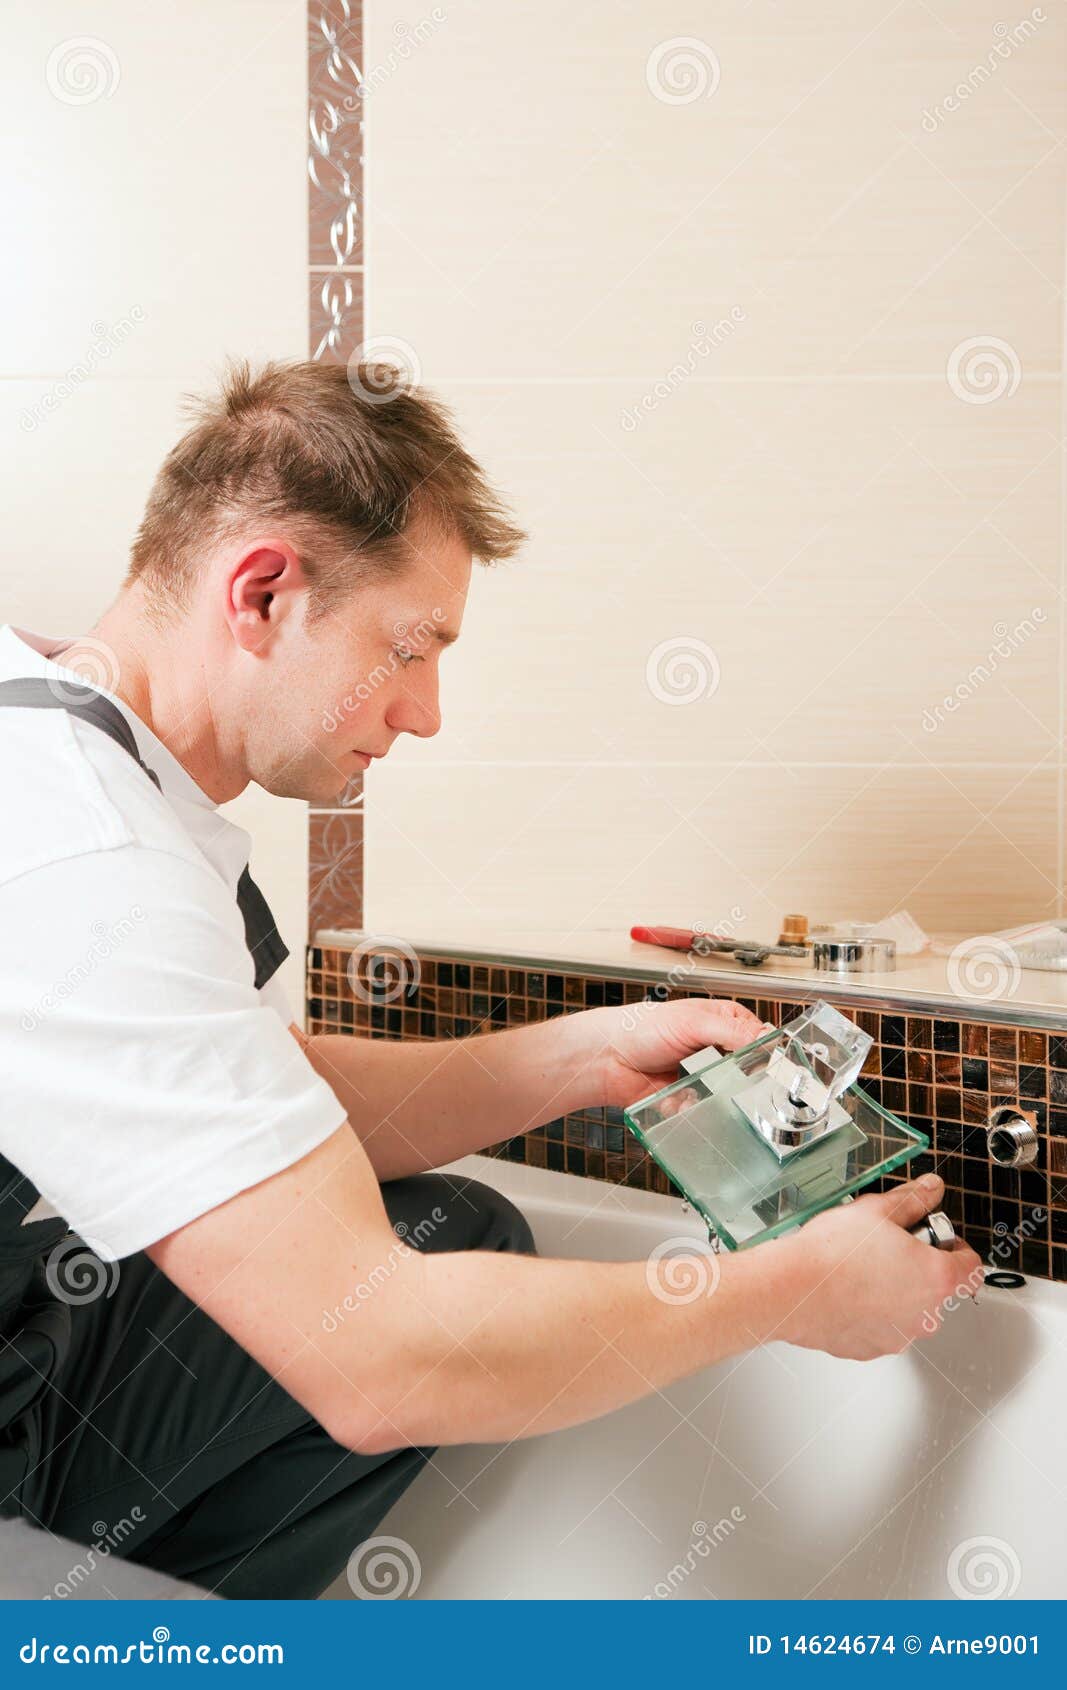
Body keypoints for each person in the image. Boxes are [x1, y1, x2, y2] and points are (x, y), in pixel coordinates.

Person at [0, 360, 980, 1599]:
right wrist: (789, 1289)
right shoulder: (90, 854)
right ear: (261, 592)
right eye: (407, 648)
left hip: (31, 1351)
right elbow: (376, 1365)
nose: (425, 711)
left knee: (452, 1225)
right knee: (404, 1303)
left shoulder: (66, 740)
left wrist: (566, 1061)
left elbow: (214, 1090)